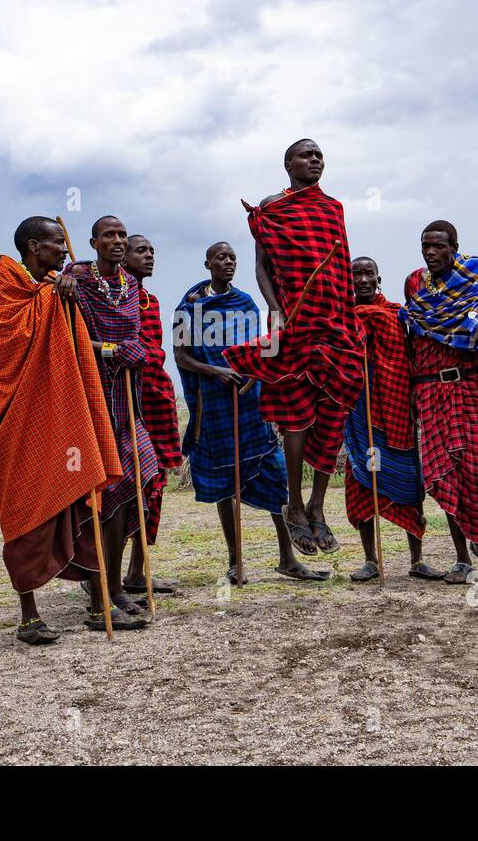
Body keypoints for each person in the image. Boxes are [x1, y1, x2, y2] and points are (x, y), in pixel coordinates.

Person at [0, 215, 140, 643]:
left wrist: (62, 289)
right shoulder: (4, 287)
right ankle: (29, 616)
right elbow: (3, 346)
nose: (64, 253)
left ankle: (98, 603)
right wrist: (53, 291)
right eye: (56, 246)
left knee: (81, 500)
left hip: (61, 417)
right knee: (27, 513)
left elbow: (77, 328)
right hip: (19, 420)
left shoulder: (56, 287)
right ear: (34, 247)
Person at [223, 140, 364, 556]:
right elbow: (262, 265)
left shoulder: (333, 208)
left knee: (333, 412)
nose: (315, 160)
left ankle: (319, 507)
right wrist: (274, 309)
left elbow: (340, 263)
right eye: (306, 155)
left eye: (320, 154)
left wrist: (350, 315)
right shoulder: (273, 207)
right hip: (296, 321)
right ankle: (295, 504)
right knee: (296, 416)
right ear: (288, 164)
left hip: (337, 321)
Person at [174, 242, 328, 583]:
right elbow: (181, 357)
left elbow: (262, 347)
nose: (228, 262)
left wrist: (273, 349)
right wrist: (216, 371)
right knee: (226, 482)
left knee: (274, 474)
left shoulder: (245, 303)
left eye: (232, 258)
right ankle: (235, 562)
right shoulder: (188, 308)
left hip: (248, 401)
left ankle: (288, 558)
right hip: (213, 405)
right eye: (220, 258)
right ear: (207, 263)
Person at [401, 220, 478, 582]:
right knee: (445, 475)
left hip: (470, 389)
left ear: (455, 248)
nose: (430, 252)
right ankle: (462, 559)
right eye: (425, 245)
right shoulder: (417, 293)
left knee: (477, 475)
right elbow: (411, 348)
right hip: (429, 392)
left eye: (439, 246)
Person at [64, 216, 162, 618]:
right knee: (99, 497)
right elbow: (71, 338)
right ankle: (98, 596)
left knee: (134, 484)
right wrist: (112, 350)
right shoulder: (78, 280)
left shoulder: (129, 285)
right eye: (110, 235)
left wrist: (132, 350)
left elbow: (136, 337)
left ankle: (116, 587)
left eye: (122, 234)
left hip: (127, 399)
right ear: (93, 242)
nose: (118, 241)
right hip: (92, 398)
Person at [345, 256, 442, 582]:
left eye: (367, 273)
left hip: (397, 410)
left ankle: (417, 560)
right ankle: (371, 561)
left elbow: (412, 358)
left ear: (378, 278)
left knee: (410, 486)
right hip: (359, 412)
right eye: (355, 274)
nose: (361, 279)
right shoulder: (343, 318)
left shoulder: (396, 315)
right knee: (362, 483)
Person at [122, 234, 183, 595]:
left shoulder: (150, 299)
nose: (149, 256)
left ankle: (135, 572)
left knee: (153, 487)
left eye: (152, 251)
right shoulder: (114, 297)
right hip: (126, 397)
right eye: (141, 251)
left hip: (155, 395)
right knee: (123, 487)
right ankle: (98, 573)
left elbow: (153, 350)